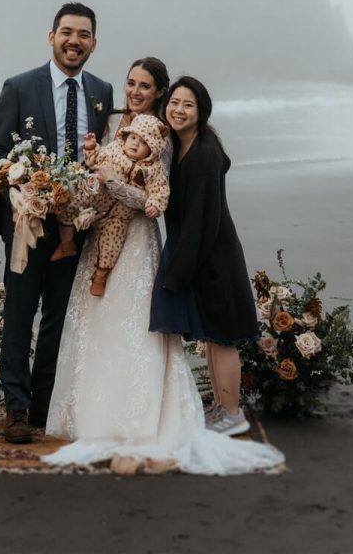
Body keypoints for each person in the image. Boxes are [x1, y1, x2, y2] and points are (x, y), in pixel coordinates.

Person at [43, 61, 283, 475]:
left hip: (142, 240)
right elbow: (95, 169)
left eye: (146, 86)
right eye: (131, 83)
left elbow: (156, 198)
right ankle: (93, 411)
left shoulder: (166, 136)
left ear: (160, 92)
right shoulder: (115, 122)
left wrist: (113, 184)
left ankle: (162, 412)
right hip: (103, 235)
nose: (136, 91)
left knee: (140, 325)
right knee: (98, 320)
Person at [0, 2, 114, 443]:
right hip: (29, 225)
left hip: (77, 227)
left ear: (93, 43)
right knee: (20, 314)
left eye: (83, 34)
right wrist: (23, 187)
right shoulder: (20, 86)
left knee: (59, 316)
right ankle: (15, 409)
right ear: (51, 37)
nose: (74, 41)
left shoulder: (101, 91)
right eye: (67, 32)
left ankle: (44, 402)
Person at [152, 76, 261, 437]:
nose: (178, 110)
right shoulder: (180, 145)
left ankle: (232, 412)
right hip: (203, 255)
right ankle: (220, 407)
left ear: (201, 111)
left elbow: (202, 220)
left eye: (188, 105)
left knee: (223, 338)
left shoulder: (204, 153)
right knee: (212, 336)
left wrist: (177, 272)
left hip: (216, 258)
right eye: (174, 103)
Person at [51, 112, 170, 297]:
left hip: (120, 215)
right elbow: (95, 160)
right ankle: (67, 243)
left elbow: (160, 190)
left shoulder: (153, 169)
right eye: (133, 138)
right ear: (126, 136)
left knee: (112, 242)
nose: (136, 144)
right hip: (95, 198)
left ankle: (100, 277)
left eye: (144, 143)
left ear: (153, 149)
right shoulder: (115, 149)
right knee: (70, 204)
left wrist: (155, 204)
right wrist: (91, 148)